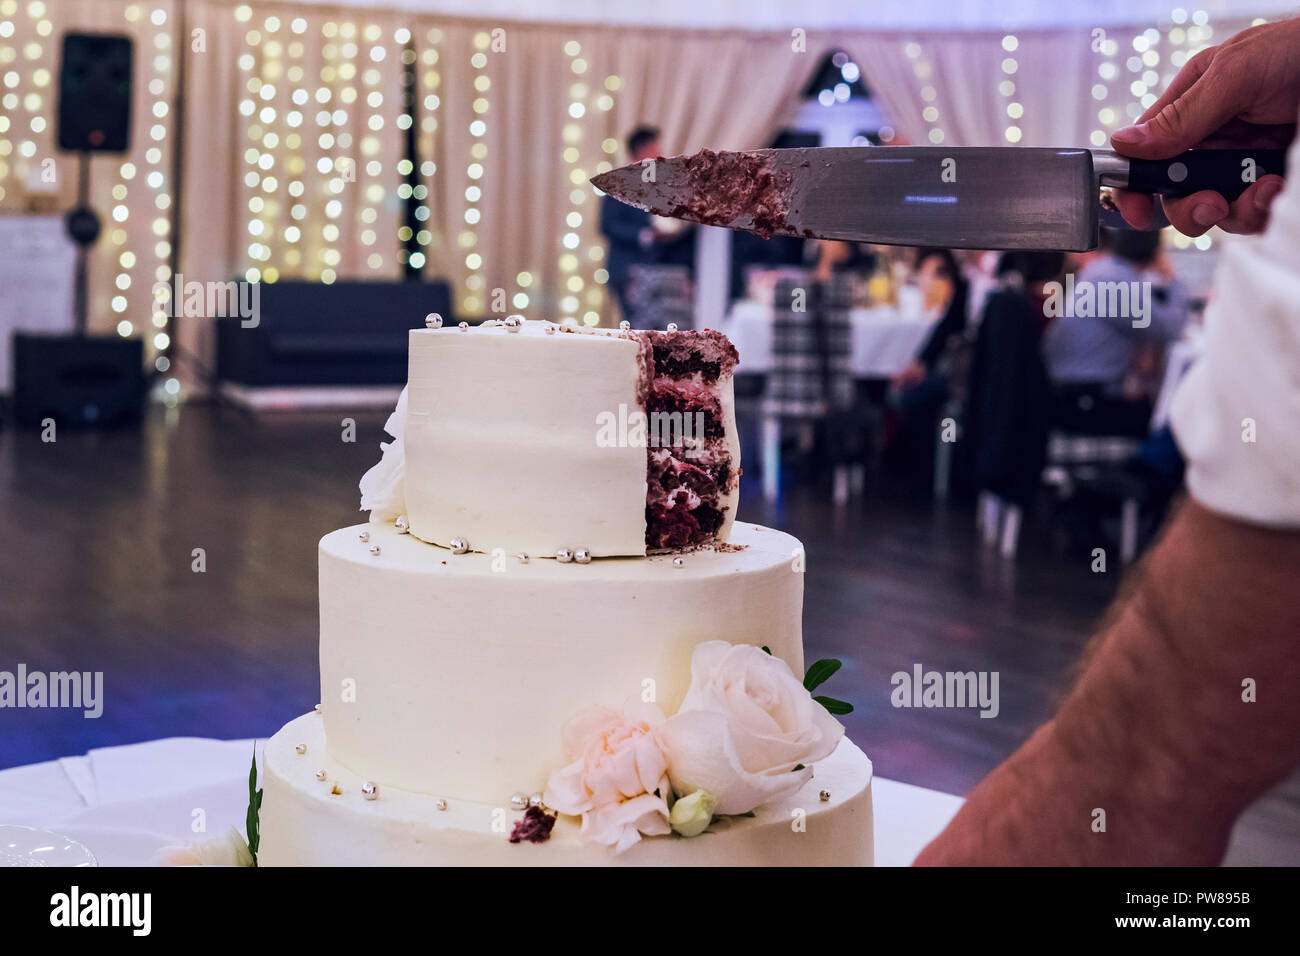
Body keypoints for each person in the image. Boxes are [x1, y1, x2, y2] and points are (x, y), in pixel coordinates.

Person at [916, 17, 1300, 865]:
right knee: (1181, 412)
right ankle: (1148, 489)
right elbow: (1169, 352)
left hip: (1063, 413)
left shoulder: (1076, 287)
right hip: (1113, 417)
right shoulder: (1151, 293)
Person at [1041, 228, 1189, 437]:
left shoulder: (1103, 272)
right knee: (1170, 422)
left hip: (1072, 392)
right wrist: (1173, 279)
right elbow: (1169, 328)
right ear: (1155, 252)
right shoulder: (1112, 281)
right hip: (1081, 400)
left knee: (1162, 410)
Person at [600, 125, 669, 324]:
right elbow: (607, 225)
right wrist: (645, 235)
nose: (660, 155)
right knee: (637, 327)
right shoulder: (618, 183)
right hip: (628, 269)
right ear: (642, 151)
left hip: (656, 270)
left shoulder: (660, 185)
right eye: (655, 150)